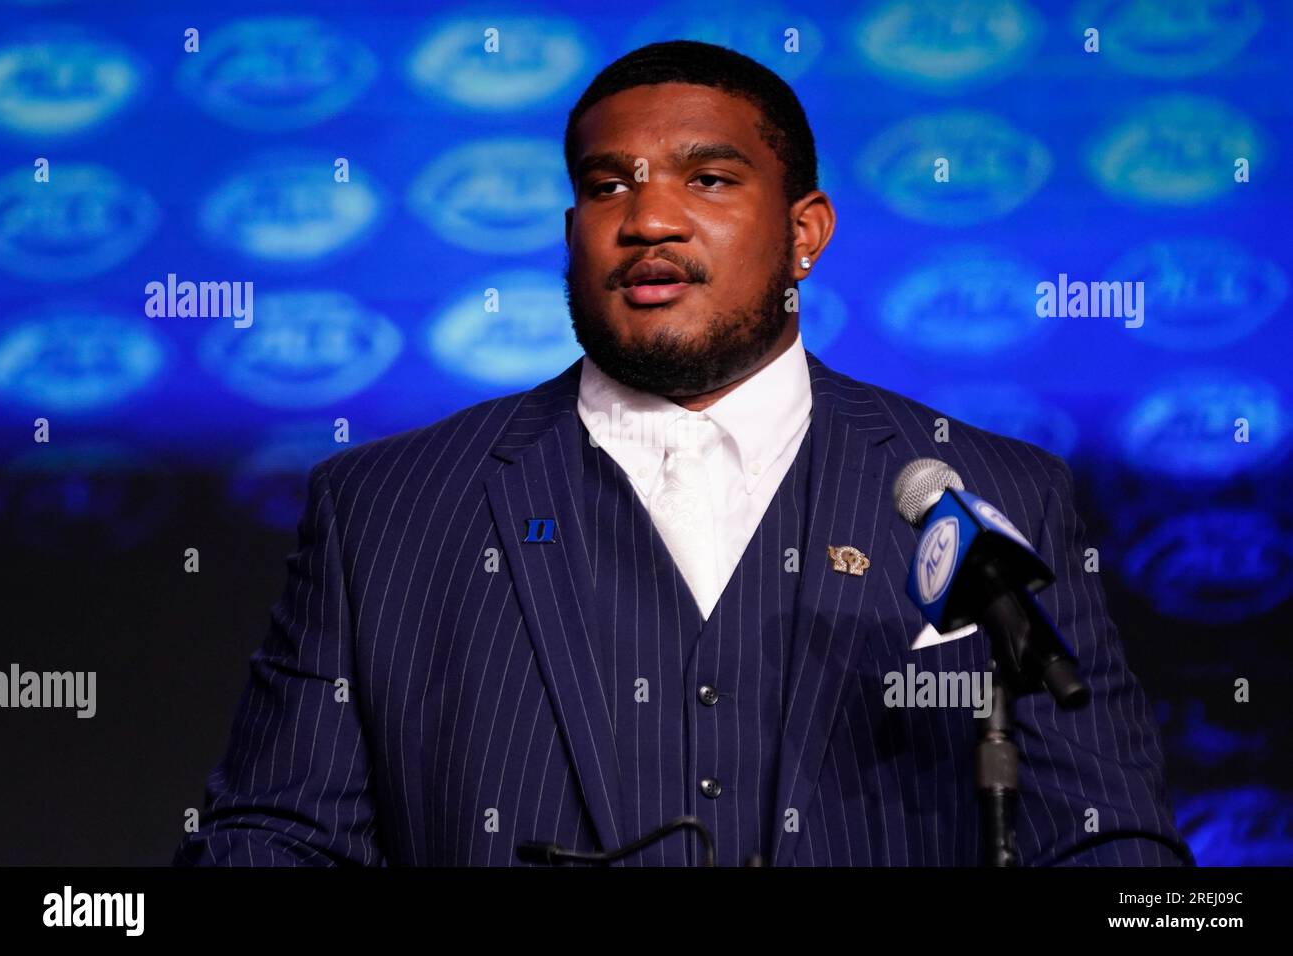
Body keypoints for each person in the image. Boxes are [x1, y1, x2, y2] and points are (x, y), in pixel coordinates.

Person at [174, 40, 1191, 867]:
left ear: (806, 232)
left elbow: (1107, 841)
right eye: (608, 185)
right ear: (572, 231)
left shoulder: (995, 489)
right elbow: (277, 836)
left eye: (707, 177)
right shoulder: (385, 506)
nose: (648, 217)